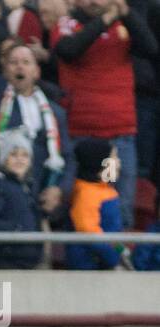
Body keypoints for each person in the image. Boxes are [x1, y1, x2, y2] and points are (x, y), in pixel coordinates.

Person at [53, 0, 156, 228]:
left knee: (116, 205)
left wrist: (127, 14)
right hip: (80, 137)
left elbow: (152, 49)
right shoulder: (67, 24)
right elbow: (69, 50)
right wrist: (105, 20)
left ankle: (115, 259)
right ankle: (78, 260)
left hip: (118, 138)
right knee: (77, 206)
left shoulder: (125, 27)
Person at [0, 42, 70, 219]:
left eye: (26, 62)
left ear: (36, 72)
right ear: (5, 71)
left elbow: (68, 157)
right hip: (0, 198)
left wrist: (59, 189)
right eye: (13, 62)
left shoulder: (56, 113)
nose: (19, 66)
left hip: (39, 201)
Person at [0, 128, 44, 269]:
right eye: (13, 155)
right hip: (6, 258)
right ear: (4, 159)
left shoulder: (29, 187)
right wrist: (15, 230)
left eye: (25, 155)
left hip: (29, 257)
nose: (19, 159)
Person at [66, 136, 124, 269]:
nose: (119, 162)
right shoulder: (87, 194)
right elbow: (89, 233)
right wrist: (111, 258)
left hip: (104, 262)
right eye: (114, 158)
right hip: (90, 267)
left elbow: (113, 232)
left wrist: (121, 252)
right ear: (99, 165)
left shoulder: (105, 190)